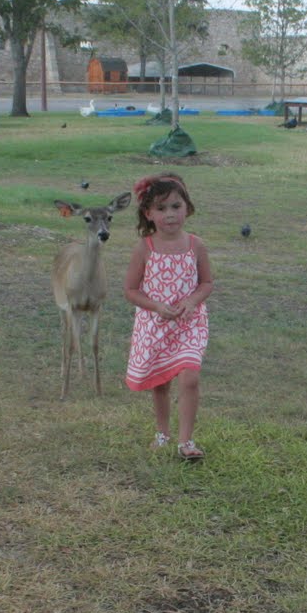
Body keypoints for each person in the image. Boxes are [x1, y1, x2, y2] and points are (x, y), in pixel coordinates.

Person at [123, 174, 214, 461]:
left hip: (190, 324)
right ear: (148, 214)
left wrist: (191, 301)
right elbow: (130, 289)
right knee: (160, 383)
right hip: (156, 325)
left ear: (187, 207)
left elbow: (207, 283)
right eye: (161, 209)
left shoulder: (196, 245)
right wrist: (157, 306)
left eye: (176, 206)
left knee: (190, 378)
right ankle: (162, 433)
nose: (170, 214)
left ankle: (186, 442)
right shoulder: (144, 248)